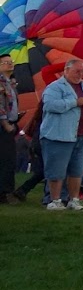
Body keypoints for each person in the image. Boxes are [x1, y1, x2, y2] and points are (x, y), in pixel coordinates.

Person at [41, 57, 83, 210]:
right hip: (59, 136)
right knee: (57, 169)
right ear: (66, 71)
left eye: (82, 71)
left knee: (77, 170)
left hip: (82, 136)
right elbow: (50, 105)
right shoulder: (54, 87)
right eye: (76, 71)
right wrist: (74, 102)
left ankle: (73, 200)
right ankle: (55, 200)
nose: (80, 74)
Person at [0, 54, 18, 203]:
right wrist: (5, 123)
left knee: (9, 157)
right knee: (6, 158)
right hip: (3, 125)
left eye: (11, 62)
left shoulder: (10, 82)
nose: (10, 64)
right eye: (6, 63)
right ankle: (5, 192)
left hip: (11, 122)